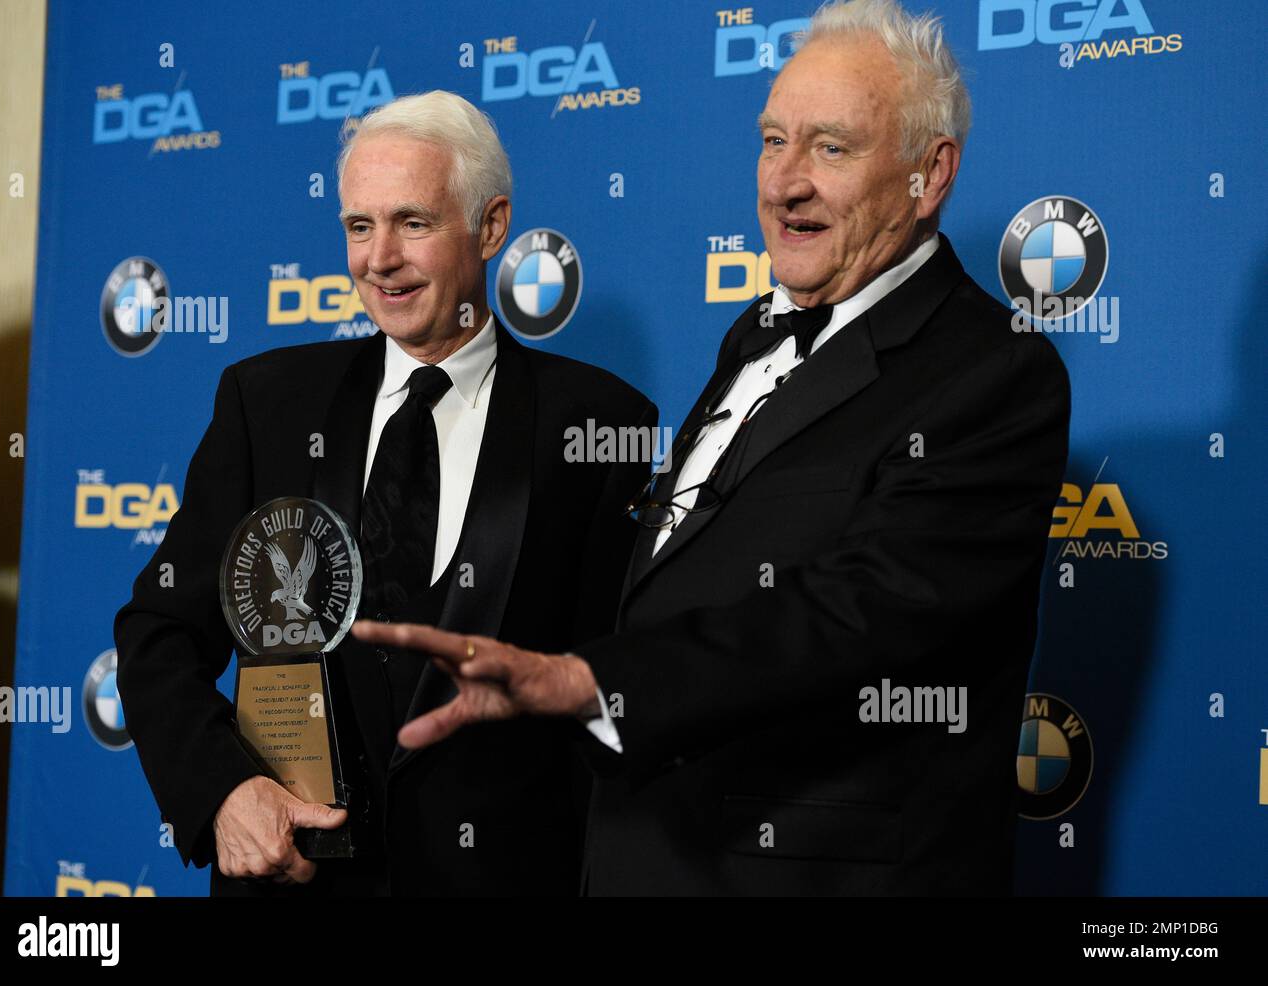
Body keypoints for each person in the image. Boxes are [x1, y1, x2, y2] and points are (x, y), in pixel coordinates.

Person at [351, 0, 1072, 895]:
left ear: (929, 175)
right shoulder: (754, 337)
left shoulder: (991, 372)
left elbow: (857, 616)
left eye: (831, 148)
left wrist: (592, 683)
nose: (784, 182)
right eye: (774, 141)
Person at [113, 90, 655, 896]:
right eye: (359, 227)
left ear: (493, 226)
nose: (379, 259)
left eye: (413, 223)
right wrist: (222, 789)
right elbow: (160, 629)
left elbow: (616, 680)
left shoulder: (602, 423)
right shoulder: (267, 404)